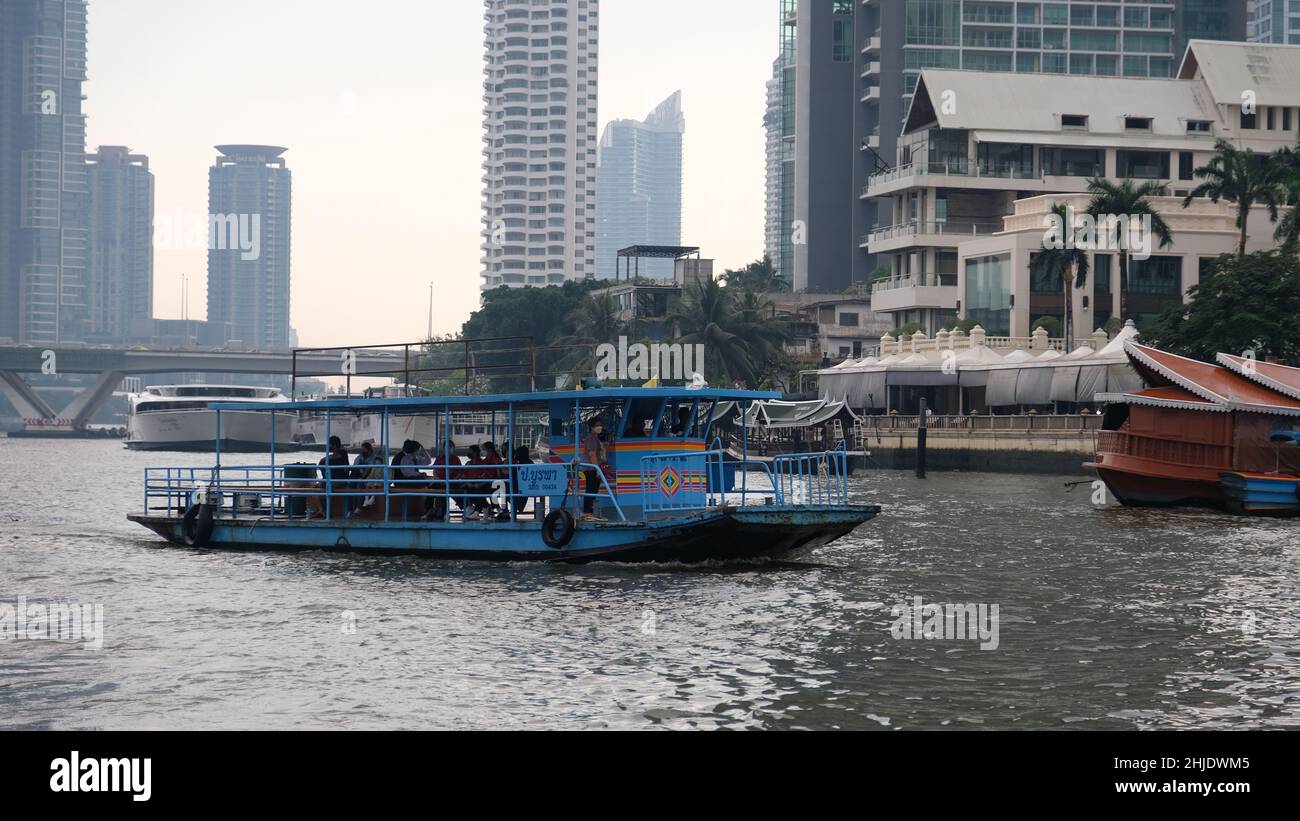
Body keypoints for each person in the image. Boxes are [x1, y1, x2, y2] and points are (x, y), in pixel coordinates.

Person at [308, 436, 352, 519]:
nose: (328, 447)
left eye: (329, 445)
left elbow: (338, 457)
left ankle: (327, 511)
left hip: (340, 481)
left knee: (329, 489)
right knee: (314, 489)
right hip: (329, 481)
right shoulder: (329, 459)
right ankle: (322, 510)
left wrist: (325, 458)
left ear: (334, 446)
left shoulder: (343, 453)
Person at [580, 419, 609, 518]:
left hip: (593, 468)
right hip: (591, 468)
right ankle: (587, 512)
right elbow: (592, 454)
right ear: (592, 427)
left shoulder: (596, 438)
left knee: (593, 490)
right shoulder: (591, 438)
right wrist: (597, 469)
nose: (599, 427)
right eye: (597, 425)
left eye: (600, 425)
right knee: (591, 490)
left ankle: (589, 512)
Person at [427, 440, 460, 522]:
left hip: (451, 482)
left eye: (450, 447)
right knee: (430, 488)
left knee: (444, 491)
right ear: (443, 448)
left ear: (453, 448)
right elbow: (434, 470)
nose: (448, 449)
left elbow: (460, 473)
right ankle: (429, 509)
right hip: (439, 481)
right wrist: (437, 479)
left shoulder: (455, 459)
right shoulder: (439, 458)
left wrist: (450, 481)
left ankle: (444, 512)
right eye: (446, 447)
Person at [350, 441, 383, 515]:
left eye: (364, 450)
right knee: (350, 485)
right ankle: (350, 509)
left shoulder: (375, 459)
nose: (362, 451)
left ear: (369, 450)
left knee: (360, 485)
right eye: (362, 450)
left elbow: (371, 470)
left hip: (368, 478)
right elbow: (355, 467)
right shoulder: (359, 457)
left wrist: (362, 474)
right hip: (357, 475)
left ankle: (358, 508)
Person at [510, 445, 534, 519]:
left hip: (525, 487)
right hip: (519, 486)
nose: (516, 455)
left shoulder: (527, 463)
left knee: (512, 492)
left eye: (517, 454)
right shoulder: (521, 462)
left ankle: (515, 512)